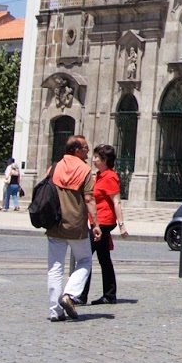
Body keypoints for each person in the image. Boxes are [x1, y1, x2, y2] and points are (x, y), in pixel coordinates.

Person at [45, 134, 100, 323]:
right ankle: (70, 294)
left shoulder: (54, 167)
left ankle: (55, 311)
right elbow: (89, 199)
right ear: (76, 150)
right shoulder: (84, 170)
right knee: (85, 260)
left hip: (55, 224)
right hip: (76, 225)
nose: (87, 151)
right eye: (85, 148)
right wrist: (96, 224)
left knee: (55, 267)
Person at [77, 144, 126, 305]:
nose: (94, 159)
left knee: (85, 257)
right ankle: (109, 295)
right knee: (104, 258)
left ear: (104, 160)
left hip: (103, 222)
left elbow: (116, 201)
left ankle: (81, 295)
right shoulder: (99, 175)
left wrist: (122, 224)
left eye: (97, 157)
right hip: (97, 221)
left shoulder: (110, 177)